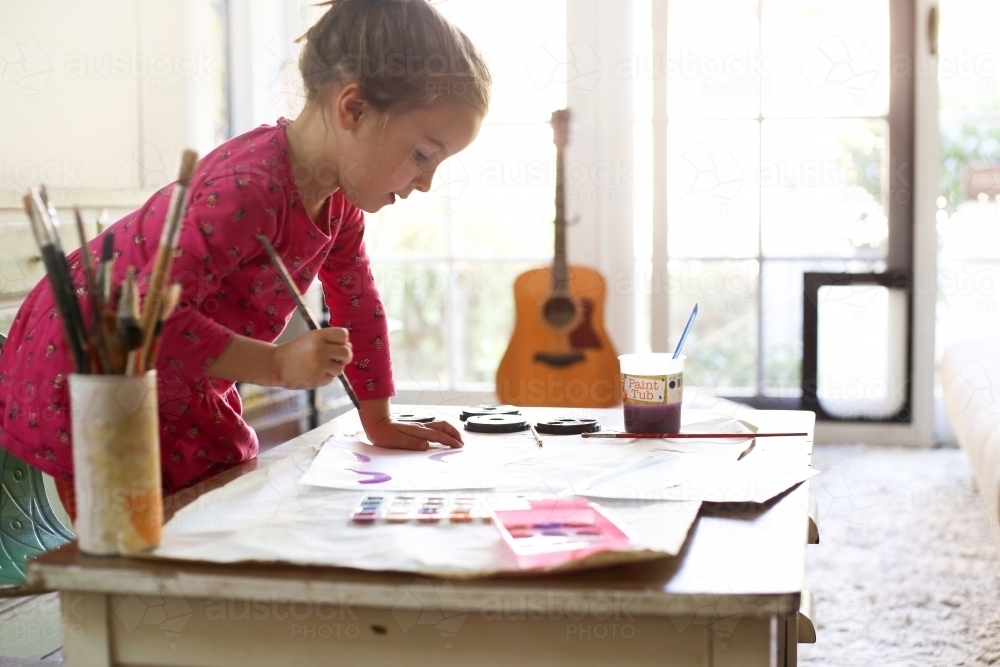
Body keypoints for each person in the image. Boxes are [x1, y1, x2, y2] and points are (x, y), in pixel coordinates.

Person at [0, 0, 491, 503]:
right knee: (135, 533)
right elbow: (150, 316)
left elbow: (358, 305)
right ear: (354, 109)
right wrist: (277, 364)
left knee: (216, 501)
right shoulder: (249, 188)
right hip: (98, 360)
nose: (427, 183)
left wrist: (379, 419)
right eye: (423, 154)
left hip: (180, 364)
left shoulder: (339, 204)